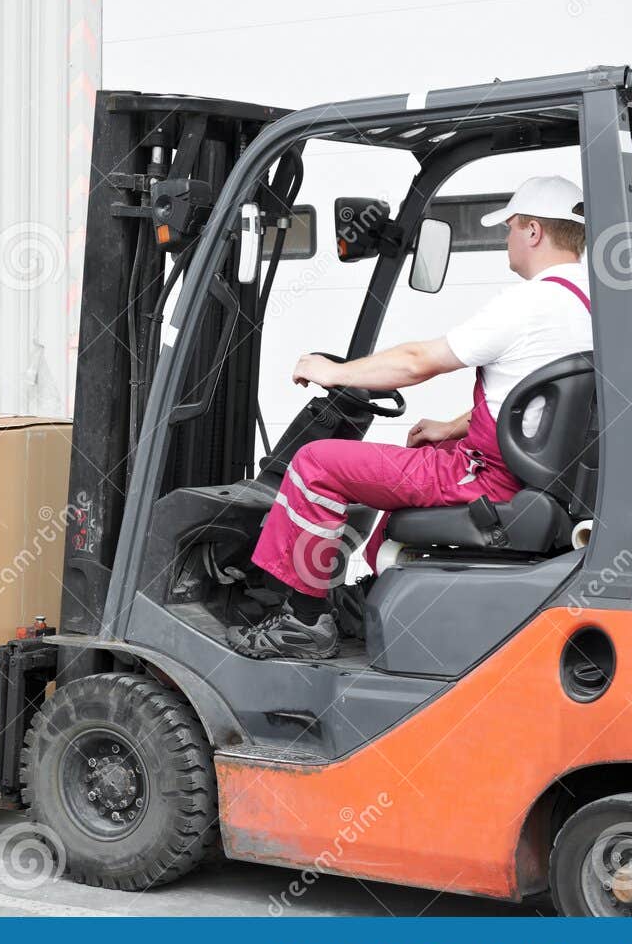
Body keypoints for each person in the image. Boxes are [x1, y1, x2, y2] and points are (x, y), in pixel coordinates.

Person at [229, 175, 594, 660]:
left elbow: (417, 361)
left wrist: (334, 372)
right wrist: (451, 427)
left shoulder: (527, 303)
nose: (505, 238)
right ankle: (370, 592)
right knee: (424, 448)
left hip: (488, 480)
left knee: (316, 464)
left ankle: (303, 619)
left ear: (533, 232)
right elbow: (537, 400)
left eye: (509, 227)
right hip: (529, 478)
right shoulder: (589, 305)